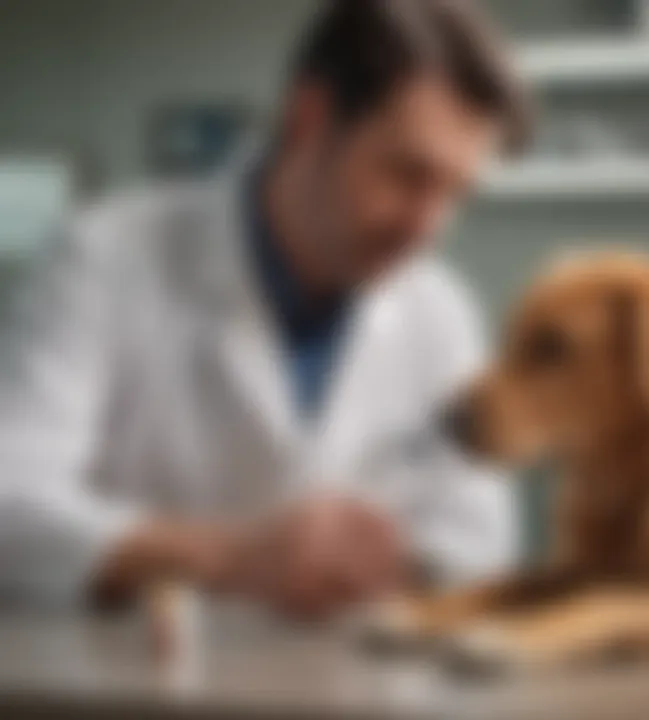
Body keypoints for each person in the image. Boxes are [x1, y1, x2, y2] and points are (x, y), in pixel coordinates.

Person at [0, 0, 529, 618]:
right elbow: (12, 500)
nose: (428, 228)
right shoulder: (103, 258)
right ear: (310, 116)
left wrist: (404, 565)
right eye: (408, 175)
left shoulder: (442, 313)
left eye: (455, 193)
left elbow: (478, 546)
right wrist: (228, 558)